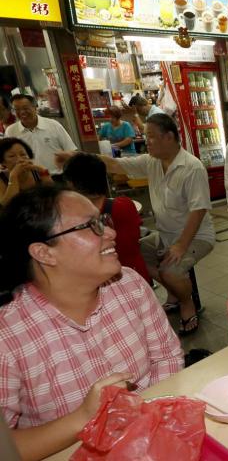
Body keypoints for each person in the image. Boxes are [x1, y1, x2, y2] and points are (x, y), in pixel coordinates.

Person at [0, 186, 183, 460]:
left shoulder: (129, 284)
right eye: (91, 226)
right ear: (44, 253)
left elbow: (167, 357)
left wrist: (142, 421)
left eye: (102, 221)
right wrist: (84, 417)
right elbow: (6, 448)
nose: (111, 233)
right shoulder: (8, 337)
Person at [58, 113, 215, 336]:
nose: (146, 140)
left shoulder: (192, 167)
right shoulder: (151, 161)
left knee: (170, 270)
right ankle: (173, 294)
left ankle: (187, 304)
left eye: (150, 136)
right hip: (165, 234)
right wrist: (75, 157)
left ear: (169, 137)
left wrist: (181, 245)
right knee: (139, 255)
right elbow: (113, 164)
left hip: (195, 236)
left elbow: (198, 211)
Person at [61, 152, 150, 283]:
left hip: (107, 284)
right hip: (138, 276)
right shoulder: (125, 205)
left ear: (71, 184)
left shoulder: (75, 220)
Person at [5, 94, 77, 174]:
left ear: (35, 107)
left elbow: (72, 150)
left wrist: (66, 156)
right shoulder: (11, 131)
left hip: (58, 176)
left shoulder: (53, 125)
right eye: (16, 109)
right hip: (31, 180)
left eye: (25, 108)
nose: (22, 112)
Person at [0, 137, 51, 206]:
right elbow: (7, 205)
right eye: (12, 156)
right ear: (3, 162)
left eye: (23, 154)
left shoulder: (38, 171)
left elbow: (52, 195)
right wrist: (13, 176)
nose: (20, 159)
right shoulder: (2, 178)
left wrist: (43, 170)